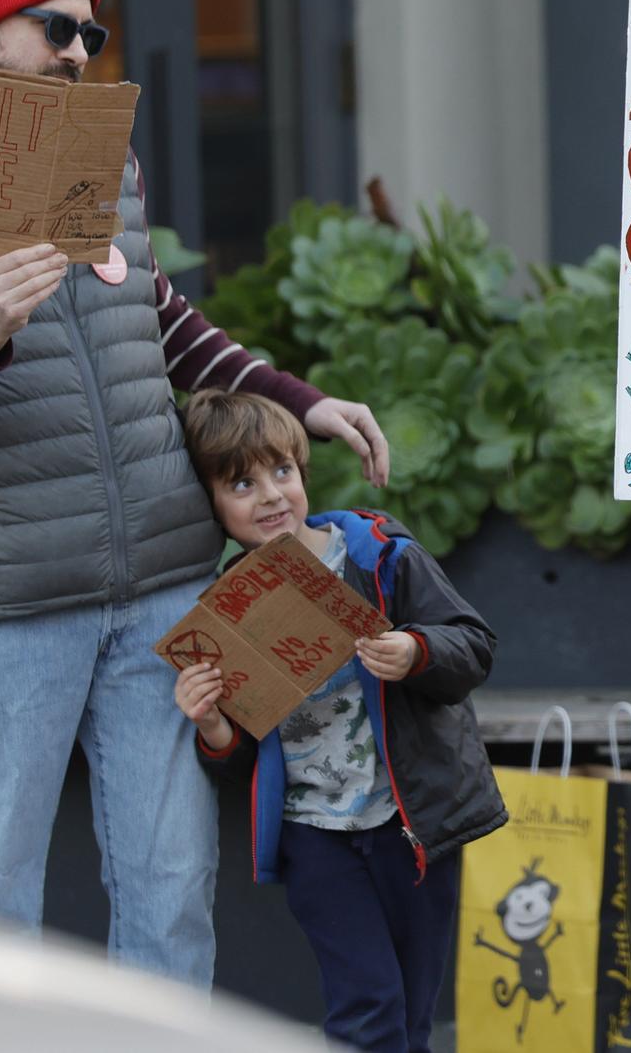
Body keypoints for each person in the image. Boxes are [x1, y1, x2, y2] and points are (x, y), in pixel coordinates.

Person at [0, 0, 390, 984]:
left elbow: (162, 321)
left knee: (172, 888)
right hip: (7, 599)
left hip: (159, 585)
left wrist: (298, 399)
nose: (81, 52)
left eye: (93, 30)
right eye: (57, 28)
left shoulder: (96, 160)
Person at [174, 391, 503, 1053]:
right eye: (241, 482)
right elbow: (242, 755)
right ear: (209, 505)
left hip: (409, 826)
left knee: (411, 1010)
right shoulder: (228, 607)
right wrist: (211, 723)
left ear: (303, 471)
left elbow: (474, 644)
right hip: (315, 837)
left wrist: (415, 650)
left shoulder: (379, 555)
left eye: (282, 471)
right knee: (367, 1005)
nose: (270, 494)